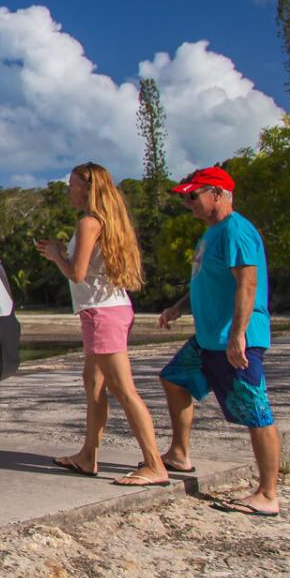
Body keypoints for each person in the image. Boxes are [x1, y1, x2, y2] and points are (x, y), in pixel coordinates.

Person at [156, 165, 281, 516]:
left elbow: (247, 284)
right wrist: (178, 307)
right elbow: (206, 282)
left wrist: (239, 334)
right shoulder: (210, 234)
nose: (189, 204)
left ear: (218, 194)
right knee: (173, 379)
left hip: (235, 340)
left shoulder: (235, 231)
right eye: (186, 198)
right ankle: (180, 454)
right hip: (208, 339)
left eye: (193, 196)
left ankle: (268, 494)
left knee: (256, 412)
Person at [37, 162, 170, 487]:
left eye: (72, 185)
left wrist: (56, 255)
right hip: (110, 310)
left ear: (88, 188)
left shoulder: (88, 223)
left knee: (124, 391)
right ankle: (87, 455)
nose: (68, 190)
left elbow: (77, 273)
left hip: (102, 314)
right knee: (93, 384)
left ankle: (155, 465)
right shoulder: (102, 221)